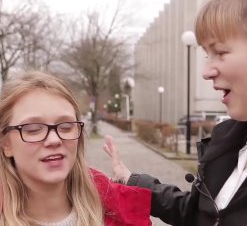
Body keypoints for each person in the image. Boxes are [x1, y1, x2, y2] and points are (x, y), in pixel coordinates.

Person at [104, 0, 247, 225]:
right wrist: (133, 180)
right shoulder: (227, 143)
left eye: (221, 52)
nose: (207, 72)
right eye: (208, 55)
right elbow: (198, 213)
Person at [0, 71, 152, 226]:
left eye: (66, 126)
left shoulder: (121, 217)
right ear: (6, 144)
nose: (54, 140)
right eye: (33, 129)